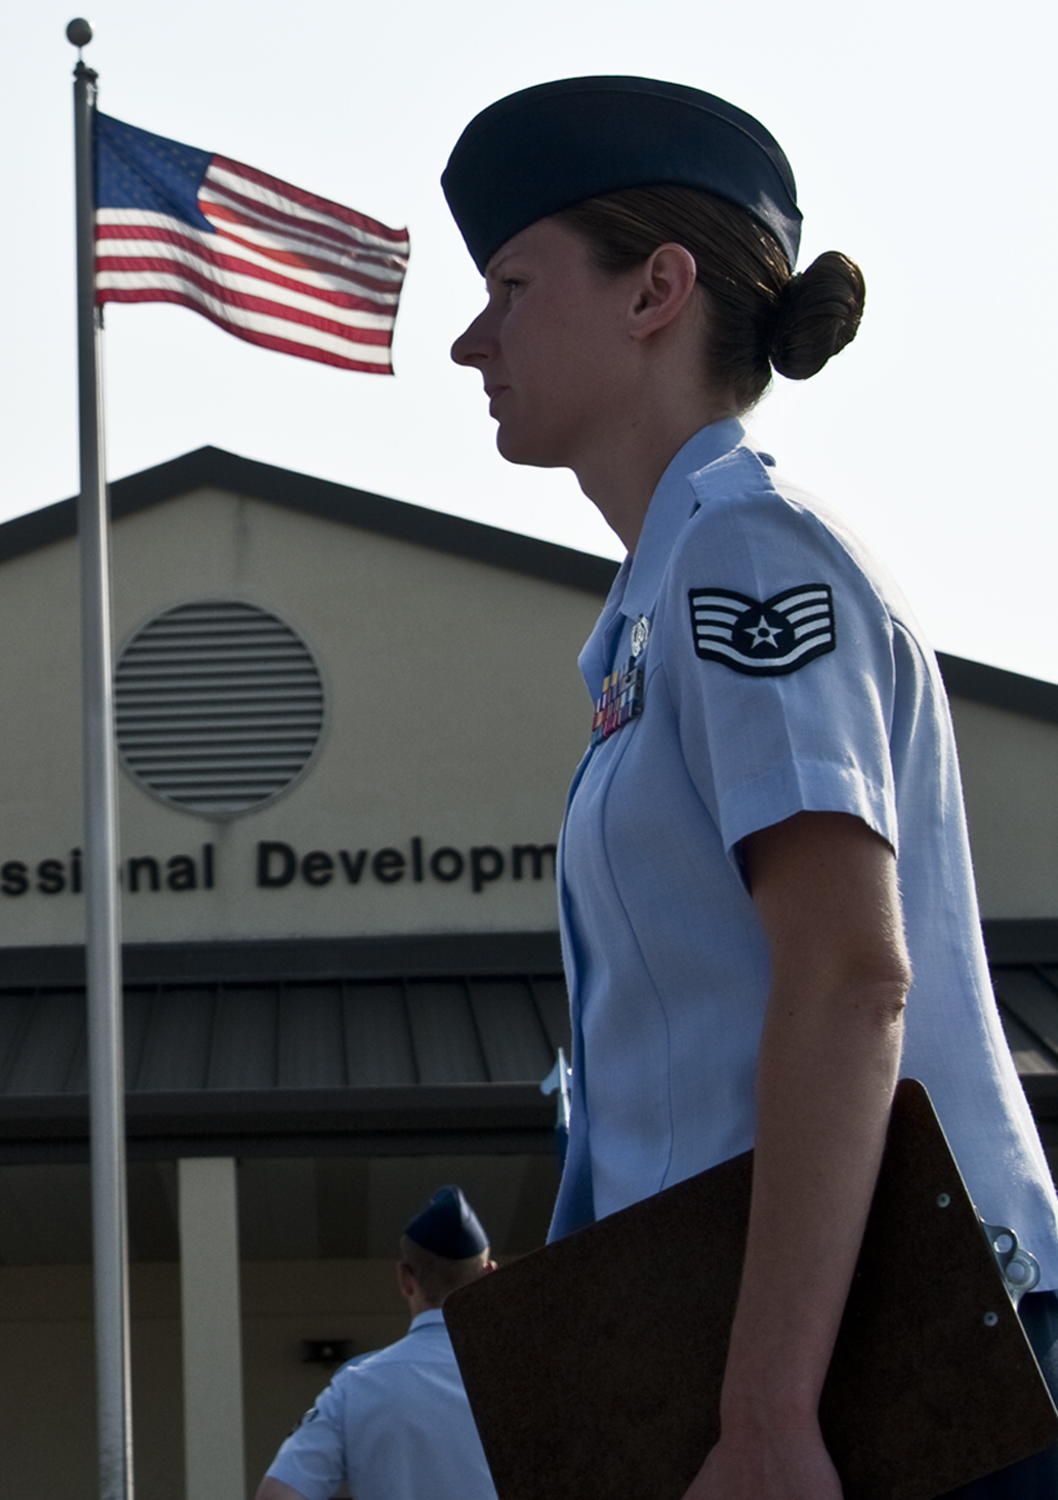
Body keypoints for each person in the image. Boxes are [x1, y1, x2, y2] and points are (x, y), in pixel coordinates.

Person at [441, 76, 1058, 1499]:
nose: (472, 339)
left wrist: (773, 1414)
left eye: (513, 285)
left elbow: (849, 976)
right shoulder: (670, 584)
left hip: (887, 1376)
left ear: (657, 289)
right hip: (779, 1357)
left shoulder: (750, 550)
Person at [256, 1187, 498, 1500]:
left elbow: (277, 1495)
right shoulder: (535, 1380)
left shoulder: (355, 1385)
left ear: (404, 1278)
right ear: (488, 1277)